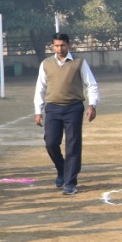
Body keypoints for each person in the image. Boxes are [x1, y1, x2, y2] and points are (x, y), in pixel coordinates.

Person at [34, 32, 99, 195]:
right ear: (52, 46)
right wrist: (38, 111)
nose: (59, 48)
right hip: (53, 108)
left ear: (68, 45)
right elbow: (40, 88)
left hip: (74, 108)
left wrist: (92, 105)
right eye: (56, 45)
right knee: (50, 142)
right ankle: (61, 169)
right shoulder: (46, 63)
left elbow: (91, 85)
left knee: (73, 145)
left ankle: (70, 182)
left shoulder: (79, 62)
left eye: (62, 45)